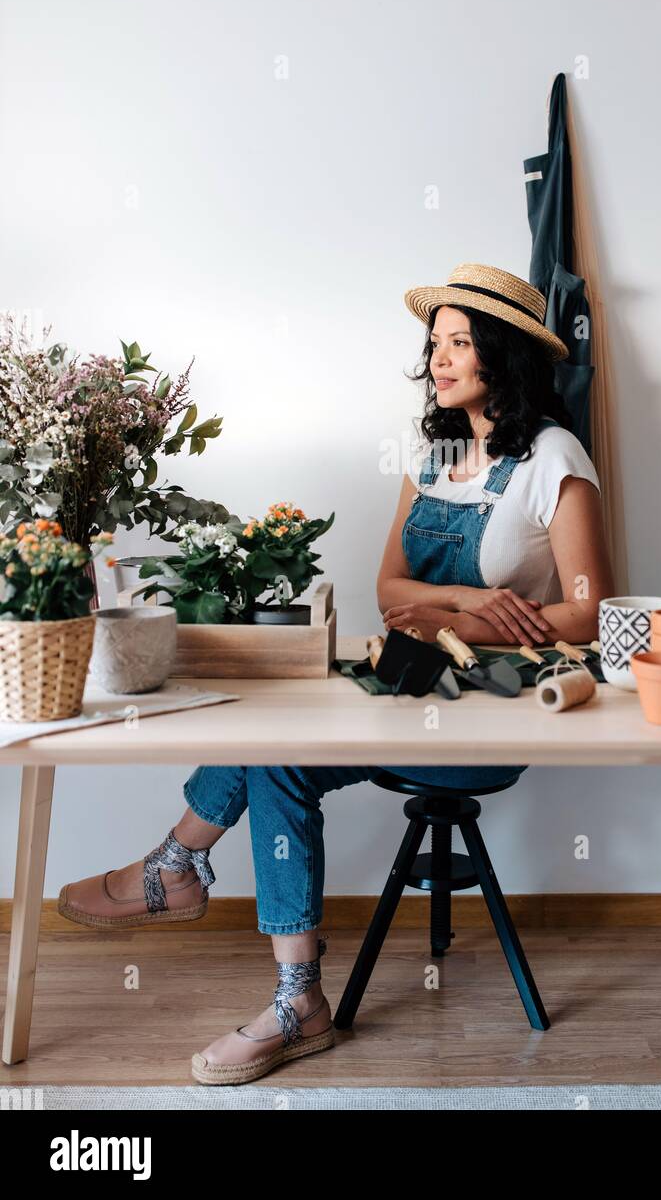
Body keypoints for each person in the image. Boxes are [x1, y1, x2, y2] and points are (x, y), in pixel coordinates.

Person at [58, 262, 614, 1085]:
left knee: (279, 749)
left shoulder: (555, 459)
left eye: (461, 342)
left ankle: (178, 874)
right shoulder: (434, 453)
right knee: (278, 743)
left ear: (506, 353)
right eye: (435, 343)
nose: (440, 358)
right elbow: (389, 593)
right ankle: (293, 998)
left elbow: (592, 612)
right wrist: (469, 599)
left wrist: (453, 619)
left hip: (497, 713)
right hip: (407, 688)